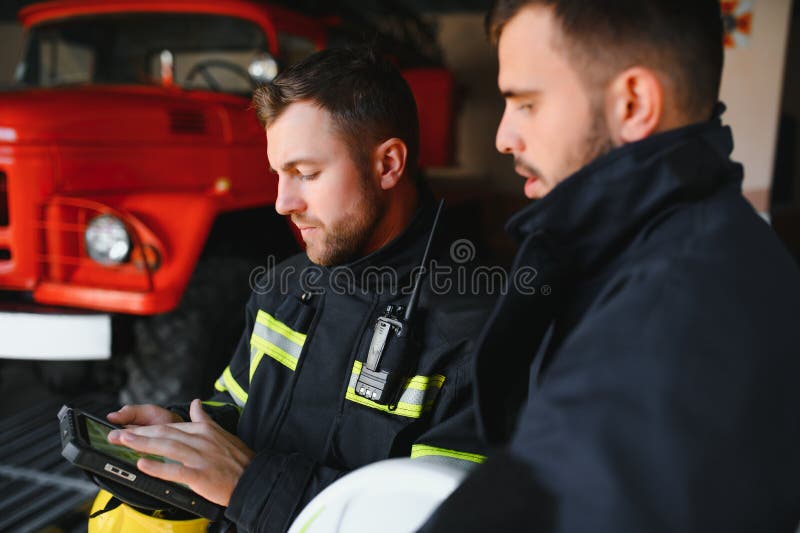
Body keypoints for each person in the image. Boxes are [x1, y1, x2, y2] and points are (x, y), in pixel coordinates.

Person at [422, 1, 800, 532]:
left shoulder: (676, 316)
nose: (503, 138)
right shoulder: (693, 243)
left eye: (526, 104)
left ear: (632, 104)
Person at [102, 47, 491, 532]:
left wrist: (250, 485)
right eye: (278, 175)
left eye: (306, 174)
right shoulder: (282, 285)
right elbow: (239, 410)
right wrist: (184, 430)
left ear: (388, 164)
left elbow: (435, 521)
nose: (284, 203)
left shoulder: (477, 329)